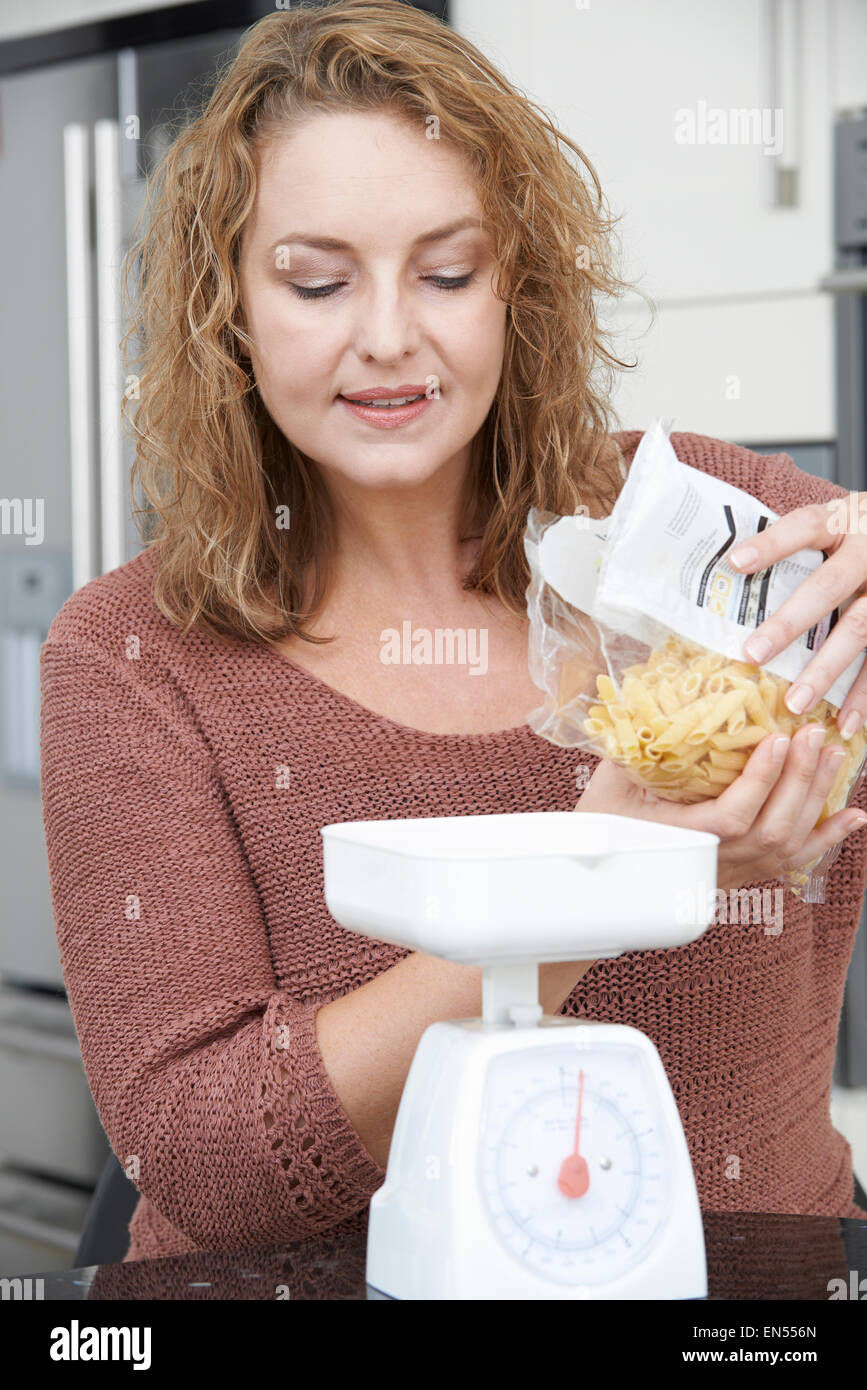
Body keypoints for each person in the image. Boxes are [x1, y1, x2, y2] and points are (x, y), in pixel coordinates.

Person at [39, 0, 867, 1268]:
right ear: (229, 312)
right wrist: (601, 872)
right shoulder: (133, 655)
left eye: (447, 272)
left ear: (516, 284)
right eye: (317, 280)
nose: (387, 338)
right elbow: (205, 1154)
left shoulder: (701, 521)